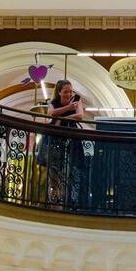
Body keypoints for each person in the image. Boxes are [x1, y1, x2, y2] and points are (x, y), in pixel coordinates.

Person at [45, 79, 87, 207]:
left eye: (70, 91)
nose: (69, 94)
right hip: (56, 138)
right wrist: (68, 108)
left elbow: (80, 115)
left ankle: (70, 199)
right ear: (59, 92)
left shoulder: (76, 100)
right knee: (55, 169)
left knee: (72, 167)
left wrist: (62, 117)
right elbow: (51, 113)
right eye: (65, 92)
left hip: (71, 138)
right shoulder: (54, 102)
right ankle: (54, 198)